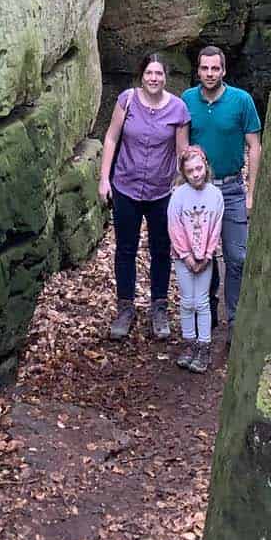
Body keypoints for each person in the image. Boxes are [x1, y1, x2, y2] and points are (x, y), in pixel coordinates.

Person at [98, 53, 190, 340]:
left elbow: (182, 152)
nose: (154, 78)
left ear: (166, 76)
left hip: (161, 191)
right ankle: (125, 307)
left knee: (160, 249)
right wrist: (104, 178)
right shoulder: (126, 100)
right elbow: (111, 137)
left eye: (159, 74)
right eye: (149, 73)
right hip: (126, 186)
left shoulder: (178, 109)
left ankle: (159, 307)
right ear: (142, 76)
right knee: (126, 248)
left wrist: (182, 186)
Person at [180, 46, 261, 334]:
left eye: (215, 68)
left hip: (231, 188)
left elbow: (254, 146)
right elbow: (183, 143)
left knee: (237, 256)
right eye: (205, 68)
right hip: (199, 190)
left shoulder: (242, 101)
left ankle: (235, 316)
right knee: (203, 254)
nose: (210, 74)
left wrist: (251, 191)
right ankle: (208, 310)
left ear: (224, 70)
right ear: (198, 70)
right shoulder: (187, 100)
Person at [167, 144, 223, 373]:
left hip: (205, 257)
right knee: (187, 301)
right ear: (183, 172)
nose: (196, 174)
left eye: (199, 168)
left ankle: (204, 347)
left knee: (201, 301)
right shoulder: (178, 195)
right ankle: (189, 344)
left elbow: (216, 225)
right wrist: (186, 255)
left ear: (206, 166)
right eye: (190, 171)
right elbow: (174, 225)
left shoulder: (215, 195)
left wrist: (208, 254)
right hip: (183, 257)